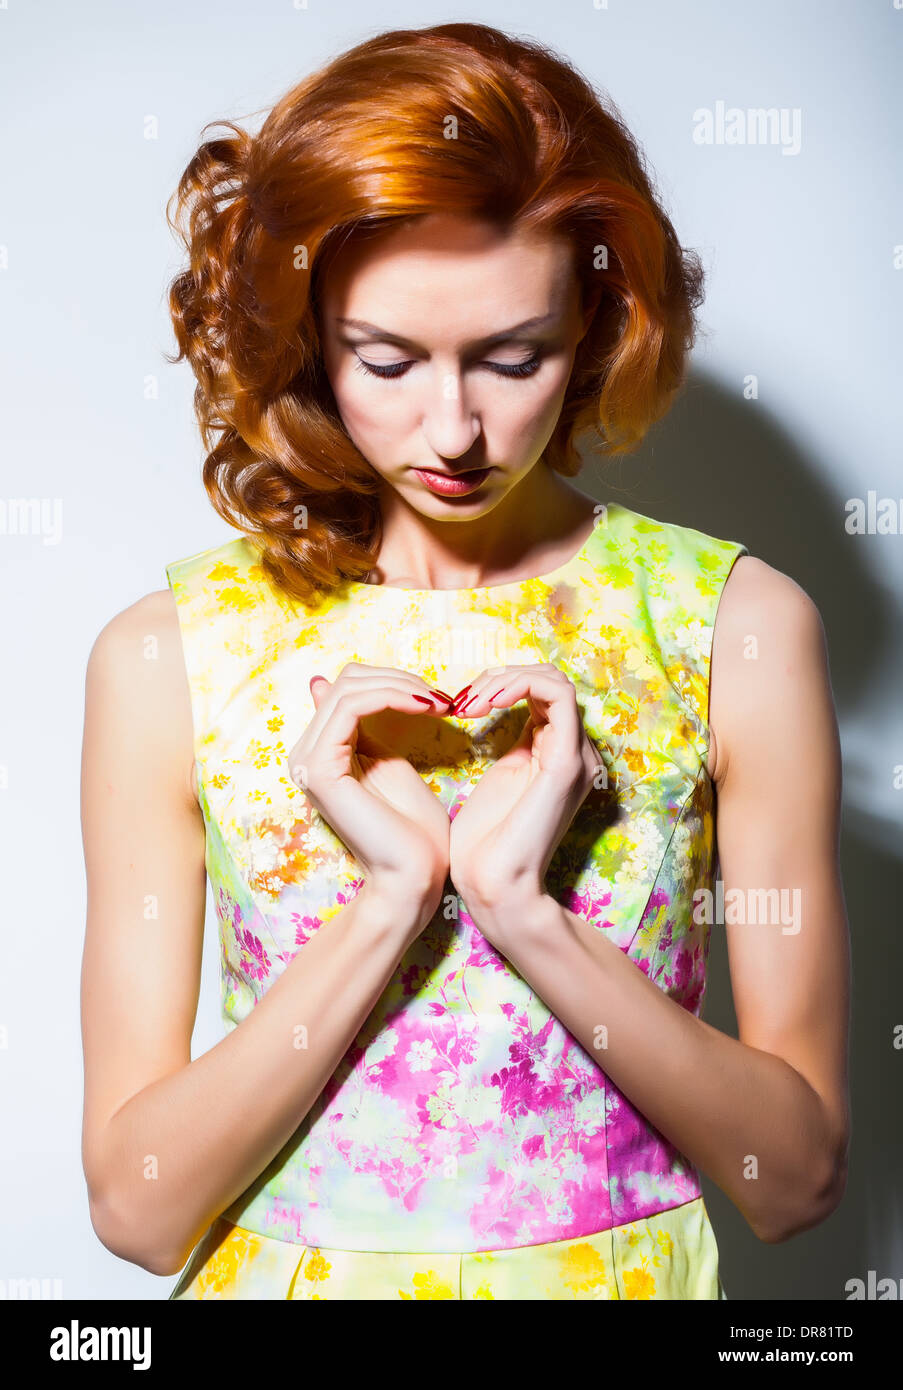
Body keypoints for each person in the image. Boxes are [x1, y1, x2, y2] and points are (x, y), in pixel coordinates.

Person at [79, 22, 850, 1300]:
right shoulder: (170, 654)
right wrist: (391, 900)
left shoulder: (738, 629)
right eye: (387, 360)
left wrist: (522, 912)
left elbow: (796, 1182)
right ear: (311, 338)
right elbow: (139, 1211)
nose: (455, 428)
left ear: (600, 320)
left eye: (514, 355)